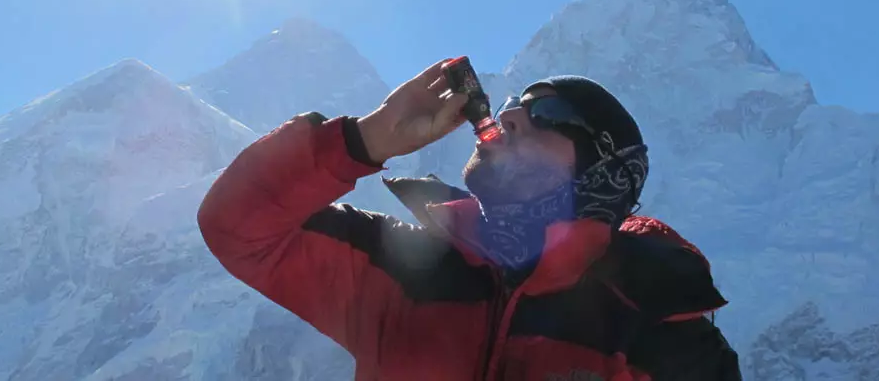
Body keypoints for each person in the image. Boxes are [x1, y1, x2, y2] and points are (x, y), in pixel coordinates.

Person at [198, 59, 742, 380]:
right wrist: (362, 141)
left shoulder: (660, 323)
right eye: (512, 103)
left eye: (546, 115)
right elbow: (236, 226)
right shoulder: (402, 267)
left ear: (601, 171)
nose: (506, 115)